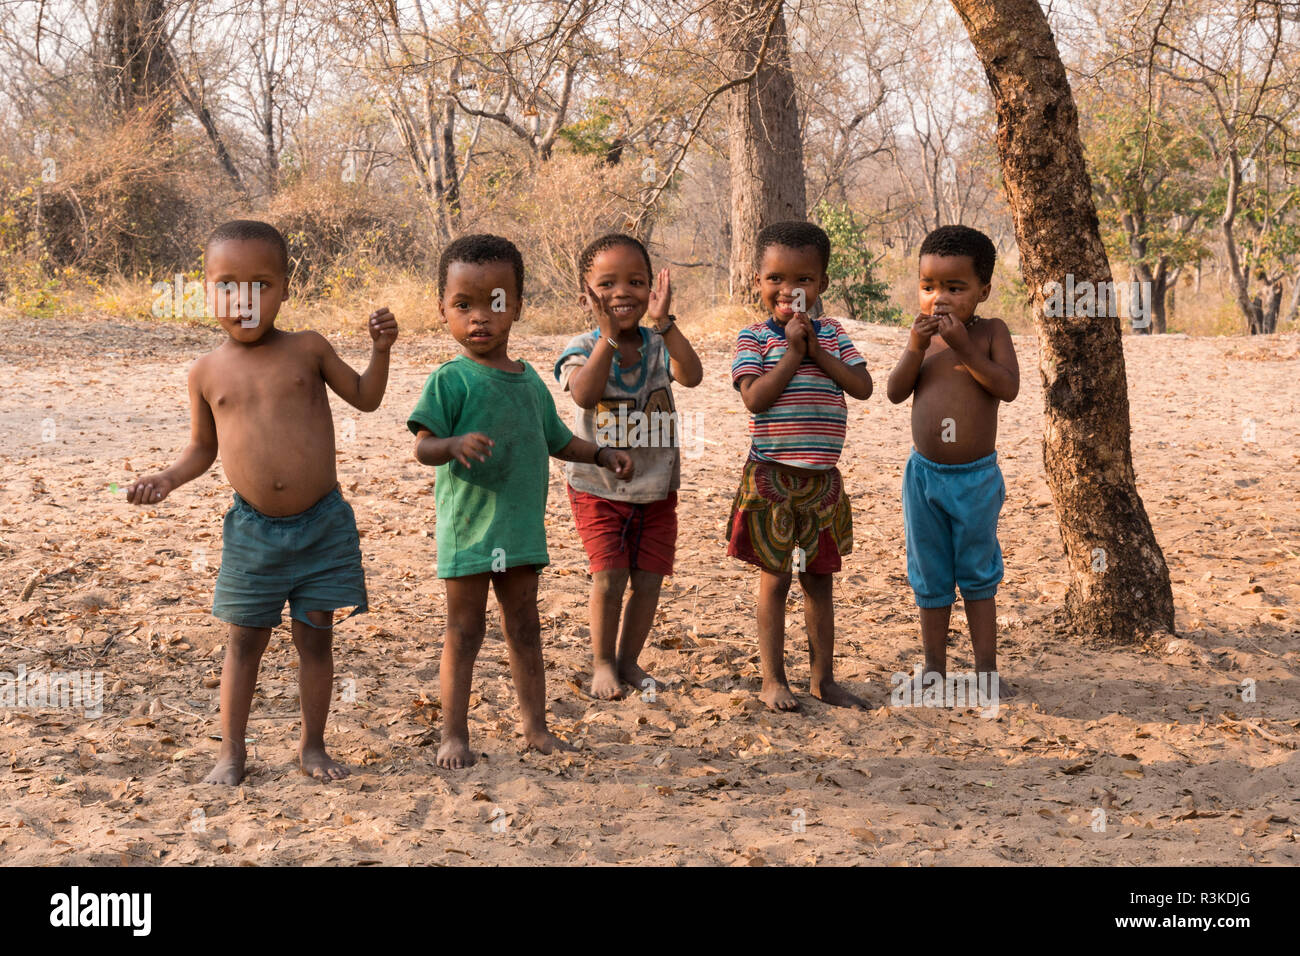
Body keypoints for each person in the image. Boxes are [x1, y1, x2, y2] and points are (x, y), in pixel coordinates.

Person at [127, 219, 398, 784]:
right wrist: (166, 479)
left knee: (315, 638)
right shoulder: (205, 371)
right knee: (244, 640)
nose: (243, 299)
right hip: (252, 531)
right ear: (206, 290)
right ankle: (232, 751)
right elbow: (202, 448)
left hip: (323, 522)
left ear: (284, 288)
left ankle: (313, 746)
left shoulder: (309, 349)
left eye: (260, 285)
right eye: (227, 284)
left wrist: (379, 350)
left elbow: (368, 400)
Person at [408, 234, 634, 769]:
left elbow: (557, 440)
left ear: (517, 307)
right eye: (463, 305)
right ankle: (453, 735)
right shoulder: (450, 380)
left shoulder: (529, 379)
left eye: (495, 303)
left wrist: (601, 454)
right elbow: (422, 447)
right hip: (469, 530)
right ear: (444, 311)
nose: (479, 318)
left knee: (525, 626)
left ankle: (536, 728)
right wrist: (452, 445)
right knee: (464, 631)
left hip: (520, 532)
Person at [727, 220, 873, 712]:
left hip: (822, 482)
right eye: (775, 279)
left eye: (803, 281)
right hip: (771, 477)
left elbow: (862, 386)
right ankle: (772, 679)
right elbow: (755, 399)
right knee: (775, 577)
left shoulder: (834, 334)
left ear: (823, 284)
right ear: (757, 282)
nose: (788, 291)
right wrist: (792, 351)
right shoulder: (753, 339)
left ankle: (822, 679)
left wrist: (816, 349)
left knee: (818, 579)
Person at [554, 233, 703, 700]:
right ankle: (602, 663)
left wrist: (665, 324)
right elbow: (584, 393)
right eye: (607, 284)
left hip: (657, 488)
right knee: (609, 576)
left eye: (636, 281)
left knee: (649, 579)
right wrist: (607, 339)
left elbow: (693, 375)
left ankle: (629, 660)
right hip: (597, 487)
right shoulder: (581, 346)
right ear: (586, 297)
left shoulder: (658, 344)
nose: (623, 292)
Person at [885, 224, 1020, 699]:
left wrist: (964, 346)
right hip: (924, 478)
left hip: (975, 480)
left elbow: (1007, 387)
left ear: (983, 291)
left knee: (978, 572)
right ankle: (935, 668)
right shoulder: (923, 340)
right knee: (930, 573)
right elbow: (895, 392)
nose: (938, 299)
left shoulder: (989, 333)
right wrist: (915, 347)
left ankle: (986, 671)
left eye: (954, 288)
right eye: (928, 286)